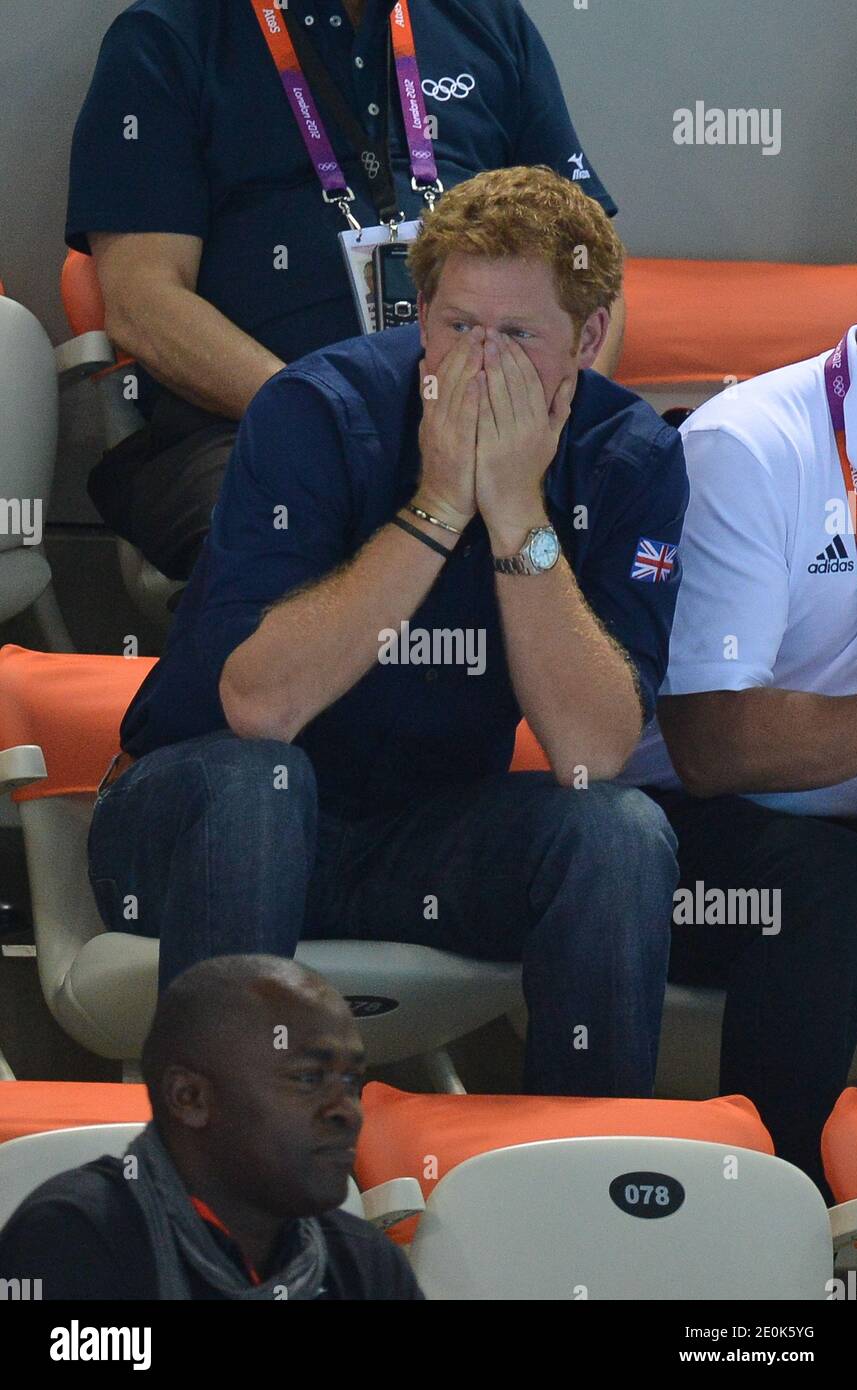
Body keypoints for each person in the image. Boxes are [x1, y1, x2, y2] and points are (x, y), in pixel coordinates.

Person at [87, 166, 687, 1100]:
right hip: (200, 816)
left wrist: (518, 514)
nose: (479, 364)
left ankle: (583, 1185)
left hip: (423, 837)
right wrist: (439, 506)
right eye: (455, 328)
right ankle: (218, 1188)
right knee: (267, 784)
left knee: (619, 834)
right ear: (417, 313)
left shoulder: (631, 457)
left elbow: (592, 747)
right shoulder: (319, 410)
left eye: (519, 336)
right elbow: (259, 705)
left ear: (590, 338)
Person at [66, 0, 625, 582]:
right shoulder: (166, 36)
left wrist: (554, 423)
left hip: (500, 417)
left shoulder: (488, 21)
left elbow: (590, 273)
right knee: (285, 555)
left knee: (630, 499)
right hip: (264, 423)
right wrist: (333, 419)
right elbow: (143, 302)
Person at [621, 321, 857, 1193]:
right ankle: (770, 1207)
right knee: (829, 880)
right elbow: (716, 745)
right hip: (675, 845)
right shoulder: (751, 445)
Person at [0, 956, 423, 1300]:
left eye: (352, 1082)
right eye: (309, 1078)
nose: (346, 1111)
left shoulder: (366, 1261)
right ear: (191, 1098)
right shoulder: (73, 1239)